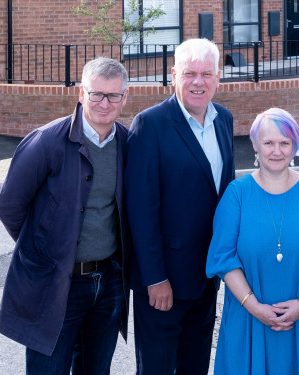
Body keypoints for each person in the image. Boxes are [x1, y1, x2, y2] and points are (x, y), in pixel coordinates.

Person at [0, 57, 131, 374]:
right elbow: (9, 207)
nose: (104, 103)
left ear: (125, 98)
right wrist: (47, 251)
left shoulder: (126, 143)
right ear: (82, 94)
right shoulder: (46, 142)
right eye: (96, 93)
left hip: (108, 282)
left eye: (113, 95)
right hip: (58, 284)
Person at [206, 108, 299, 375]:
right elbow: (223, 257)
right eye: (269, 142)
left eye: (285, 143)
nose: (276, 150)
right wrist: (255, 307)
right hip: (249, 319)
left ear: (294, 147)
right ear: (255, 146)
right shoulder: (237, 194)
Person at [126, 38, 235, 375]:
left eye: (206, 73)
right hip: (164, 284)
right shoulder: (150, 125)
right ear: (173, 75)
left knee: (196, 366)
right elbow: (141, 212)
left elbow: (225, 199)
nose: (198, 82)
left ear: (219, 77)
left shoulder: (224, 120)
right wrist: (154, 278)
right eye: (189, 73)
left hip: (206, 278)